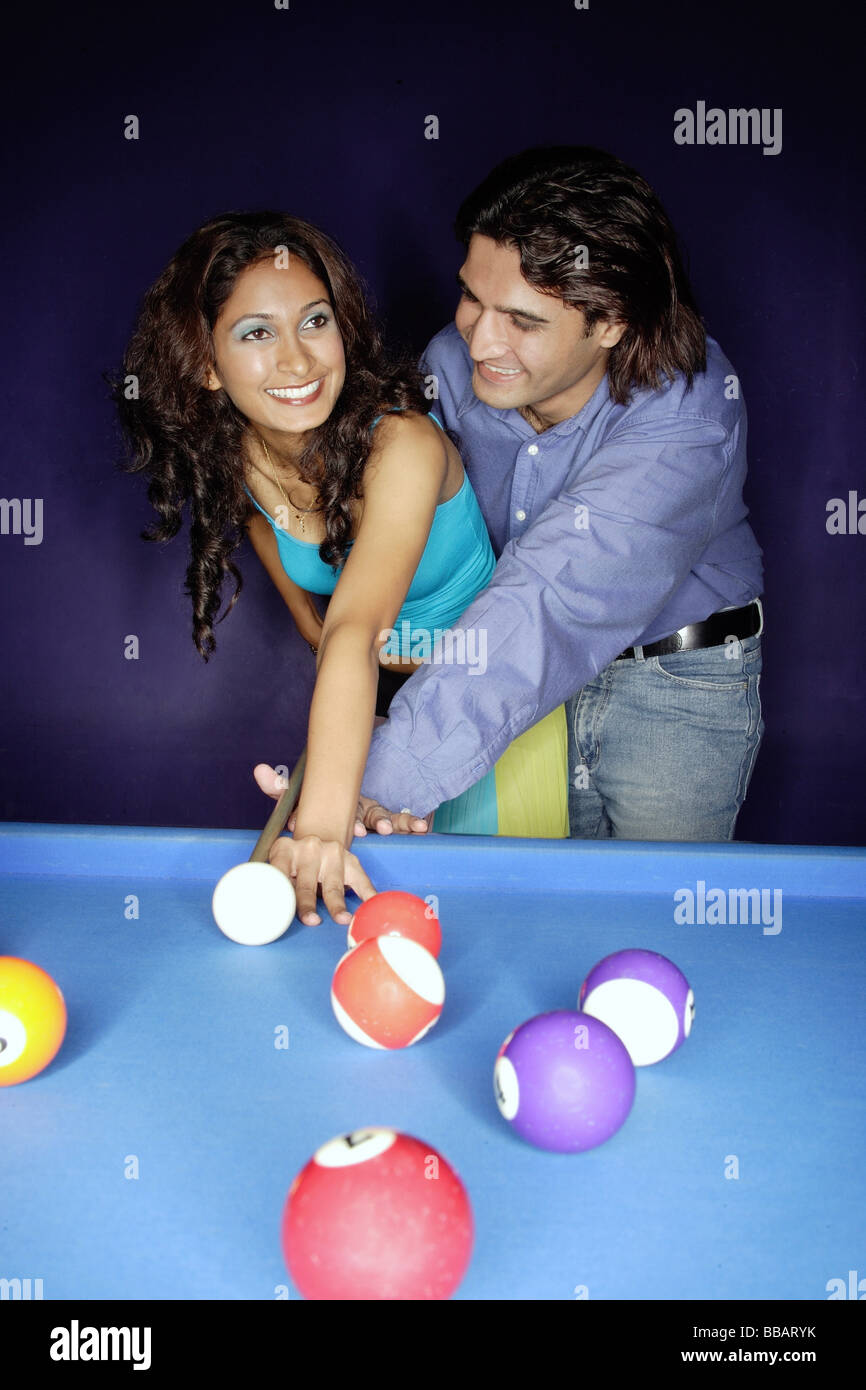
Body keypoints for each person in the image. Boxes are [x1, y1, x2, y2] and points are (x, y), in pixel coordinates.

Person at [115, 212, 568, 926]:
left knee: (503, 937)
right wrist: (356, 761)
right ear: (204, 363)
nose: (297, 361)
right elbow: (320, 628)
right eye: (256, 332)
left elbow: (356, 630)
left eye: (314, 321)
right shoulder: (240, 470)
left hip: (494, 716)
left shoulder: (405, 446)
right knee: (396, 939)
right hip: (391, 721)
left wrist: (322, 819)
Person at [356, 145, 765, 847]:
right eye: (472, 298)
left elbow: (552, 598)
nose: (481, 340)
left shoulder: (693, 410)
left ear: (612, 321)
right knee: (527, 911)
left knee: (651, 923)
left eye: (523, 320)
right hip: (499, 675)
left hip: (671, 687)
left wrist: (378, 779)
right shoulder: (448, 366)